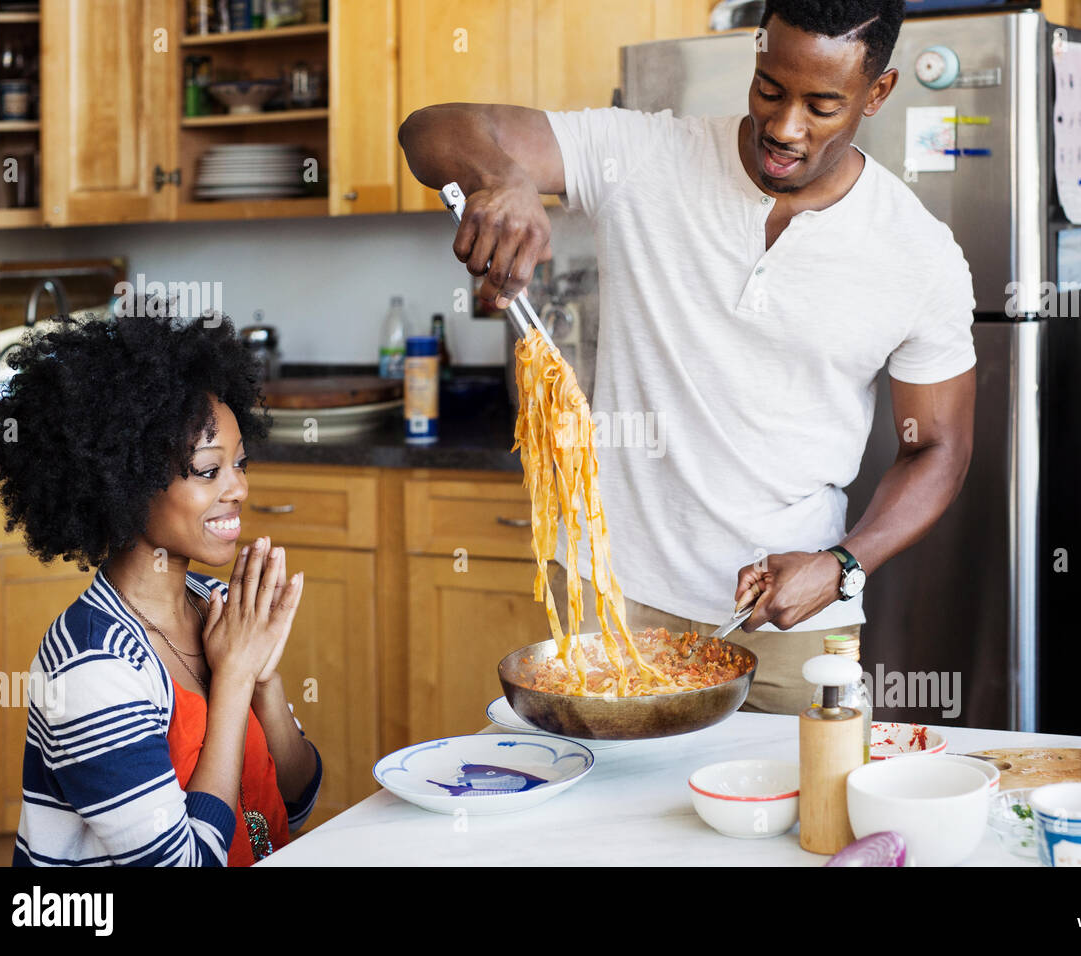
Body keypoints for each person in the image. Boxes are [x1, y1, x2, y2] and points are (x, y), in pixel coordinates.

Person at [399, 0, 976, 713]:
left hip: (792, 619)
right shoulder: (645, 157)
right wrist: (504, 177)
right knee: (601, 820)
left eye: (822, 105)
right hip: (610, 600)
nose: (785, 128)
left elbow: (938, 450)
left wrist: (844, 564)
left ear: (877, 93)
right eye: (770, 89)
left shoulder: (919, 253)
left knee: (814, 817)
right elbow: (433, 129)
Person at [0, 312, 322, 866]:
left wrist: (264, 677)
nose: (240, 487)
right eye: (208, 471)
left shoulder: (217, 605)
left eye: (239, 463)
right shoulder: (91, 664)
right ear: (128, 481)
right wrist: (232, 681)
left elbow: (290, 804)